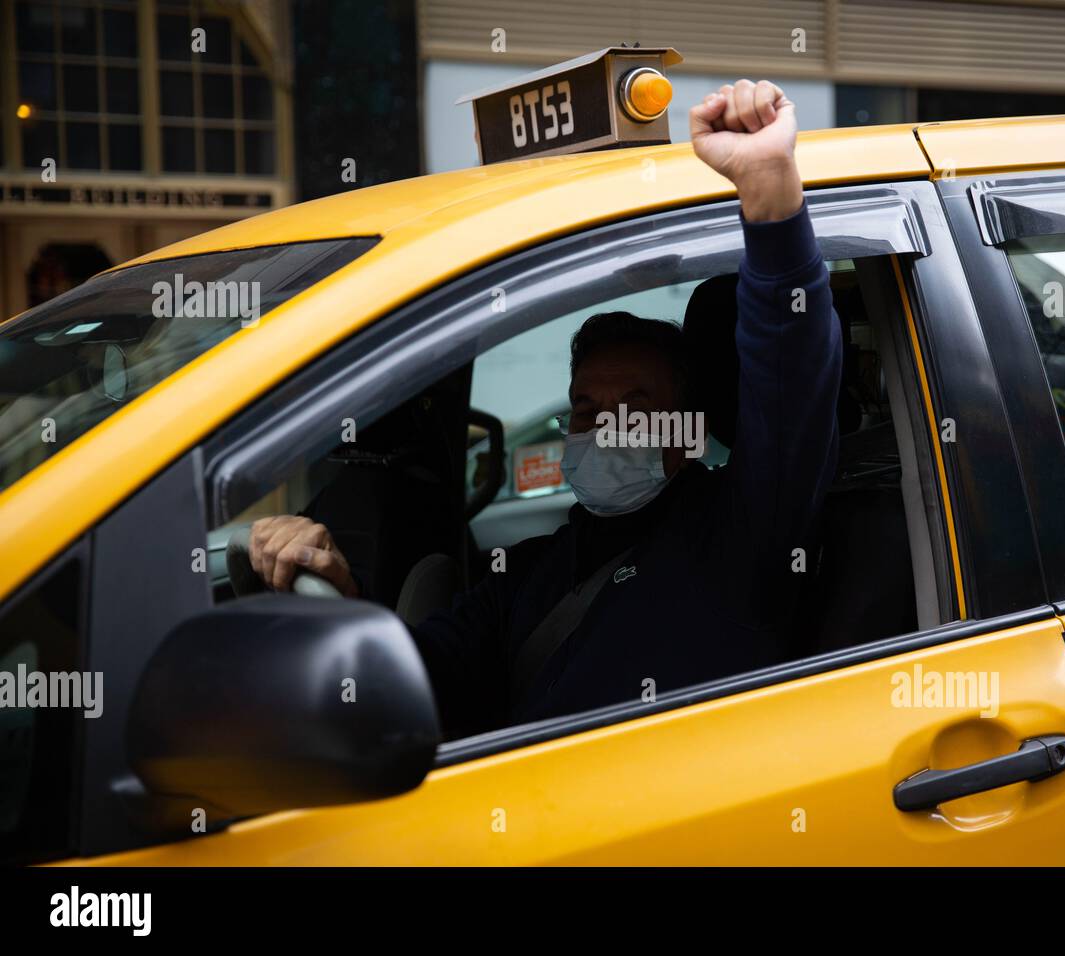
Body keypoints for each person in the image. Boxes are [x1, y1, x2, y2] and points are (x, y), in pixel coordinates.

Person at [247, 80, 842, 737]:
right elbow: (417, 677)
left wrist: (767, 192)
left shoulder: (746, 526)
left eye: (634, 407)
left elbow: (789, 382)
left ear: (686, 430)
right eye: (586, 407)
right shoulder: (528, 572)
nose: (605, 428)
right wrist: (335, 593)